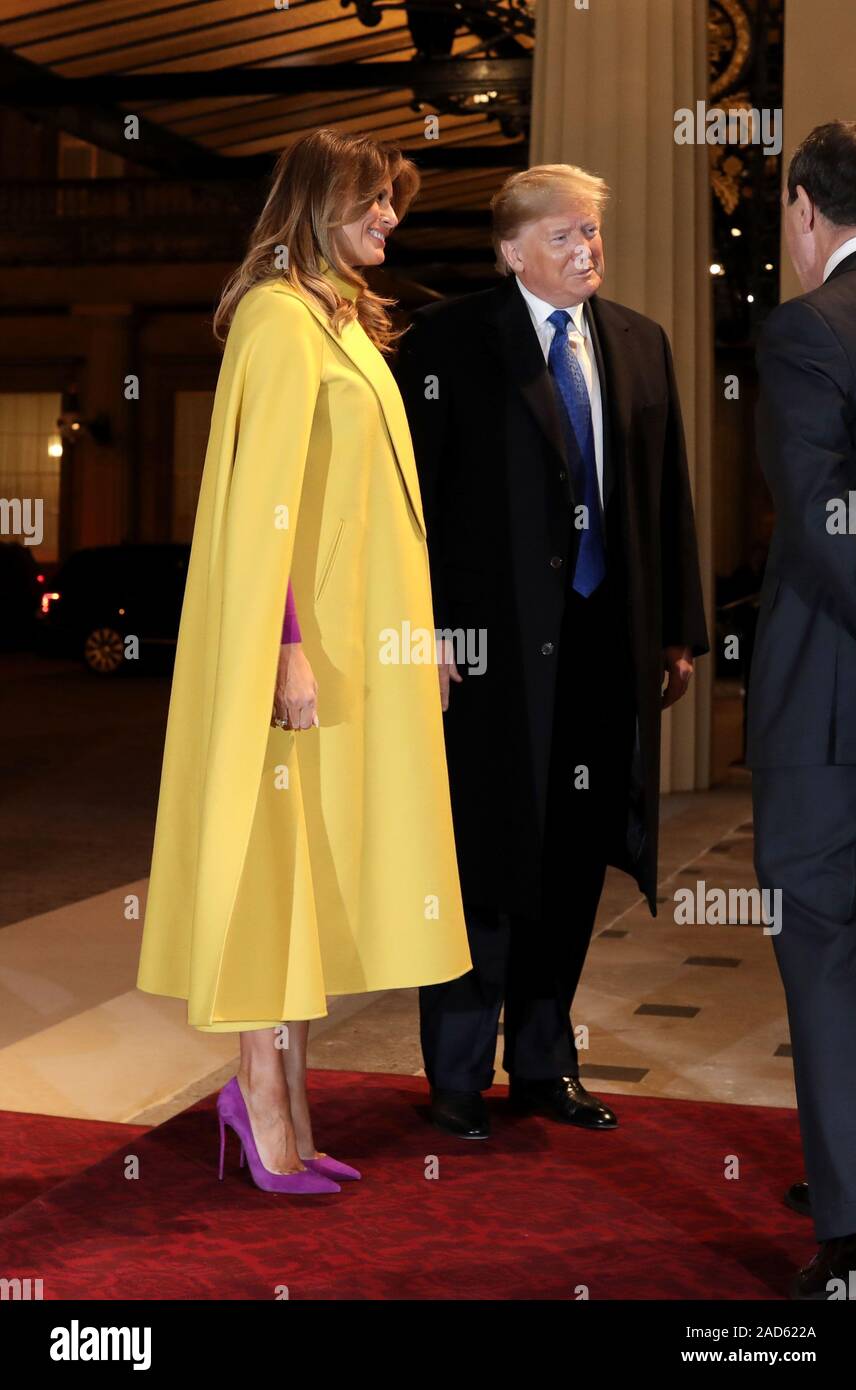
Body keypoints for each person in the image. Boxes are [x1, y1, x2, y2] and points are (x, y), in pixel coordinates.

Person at [137, 129, 471, 1194]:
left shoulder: (342, 326)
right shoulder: (277, 323)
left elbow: (384, 515)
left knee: (311, 874)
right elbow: (257, 501)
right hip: (303, 650)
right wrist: (282, 644)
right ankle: (259, 1097)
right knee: (271, 869)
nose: (390, 220)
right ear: (318, 205)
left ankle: (287, 1098)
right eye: (374, 201)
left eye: (393, 203)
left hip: (356, 646)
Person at [395, 163, 708, 1140]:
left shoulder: (638, 344)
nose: (588, 252)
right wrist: (426, 629)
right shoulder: (446, 340)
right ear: (510, 251)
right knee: (484, 863)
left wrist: (675, 629)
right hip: (481, 660)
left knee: (570, 863)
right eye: (567, 236)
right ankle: (454, 1079)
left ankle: (542, 1065)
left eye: (593, 234)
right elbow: (412, 505)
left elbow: (665, 501)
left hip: (599, 648)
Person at [748, 119, 856, 1299]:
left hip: (831, 714)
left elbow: (830, 525)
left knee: (827, 953)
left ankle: (854, 1238)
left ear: (801, 211)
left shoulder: (807, 328)